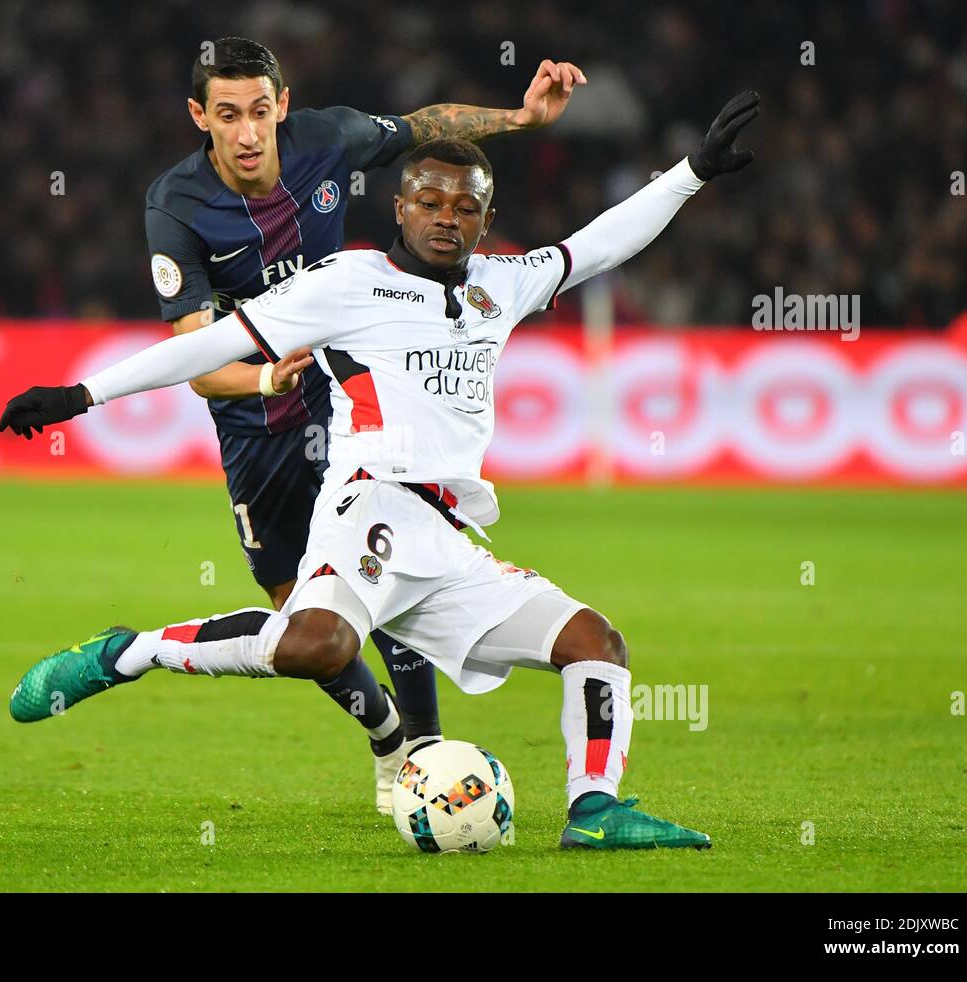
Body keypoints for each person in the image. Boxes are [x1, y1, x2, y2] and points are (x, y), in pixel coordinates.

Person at [0, 90, 760, 848]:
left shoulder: (502, 285)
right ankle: (128, 652)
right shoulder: (347, 282)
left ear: (484, 221)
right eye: (428, 201)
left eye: (464, 208)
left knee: (596, 644)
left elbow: (597, 245)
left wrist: (691, 172)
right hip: (370, 505)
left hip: (451, 540)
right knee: (318, 646)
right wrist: (83, 392)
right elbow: (212, 344)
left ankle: (594, 811)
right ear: (400, 209)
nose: (445, 217)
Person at [52, 37, 585, 814]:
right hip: (255, 421)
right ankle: (388, 737)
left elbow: (421, 126)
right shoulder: (176, 203)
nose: (246, 132)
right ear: (200, 116)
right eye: (227, 114)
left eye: (260, 112)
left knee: (390, 568)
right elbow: (200, 361)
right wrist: (266, 374)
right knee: (297, 622)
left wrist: (519, 116)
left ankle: (423, 753)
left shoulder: (327, 140)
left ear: (283, 108)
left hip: (351, 405)